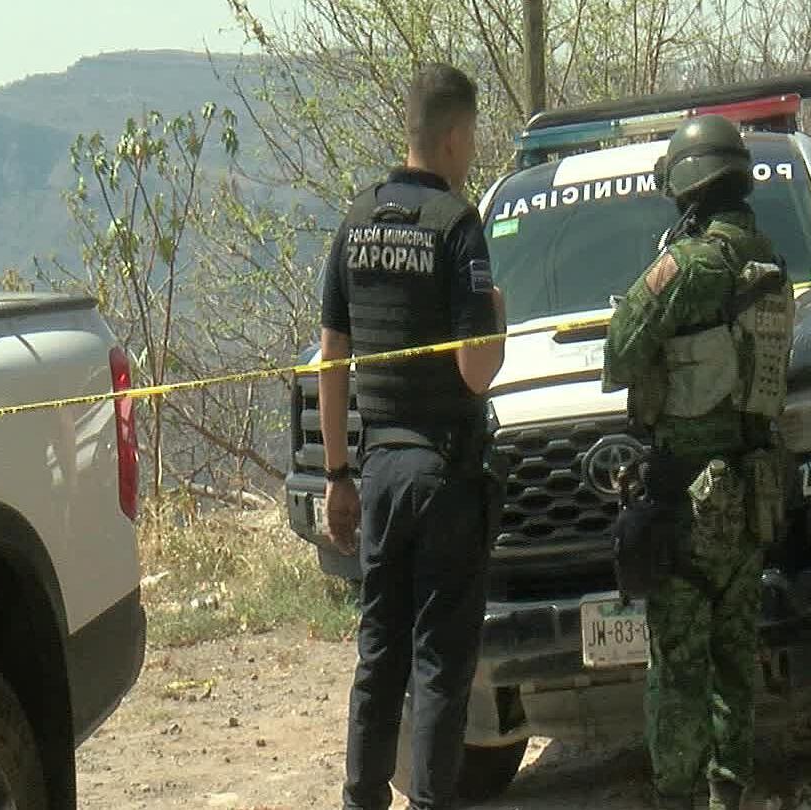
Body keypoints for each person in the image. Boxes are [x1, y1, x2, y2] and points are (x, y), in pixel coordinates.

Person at [318, 63, 506, 810]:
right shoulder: (458, 226)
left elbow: (331, 357)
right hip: (444, 478)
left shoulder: (356, 221)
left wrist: (337, 474)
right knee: (437, 668)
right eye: (473, 137)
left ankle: (360, 800)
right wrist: (497, 314)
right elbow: (476, 372)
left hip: (379, 473)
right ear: (455, 136)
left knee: (378, 658)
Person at [602, 114, 794, 810]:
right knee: (734, 660)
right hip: (751, 493)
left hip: (686, 497)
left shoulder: (688, 267)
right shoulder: (770, 264)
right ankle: (728, 793)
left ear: (687, 188)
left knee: (679, 668)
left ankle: (677, 796)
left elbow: (620, 354)